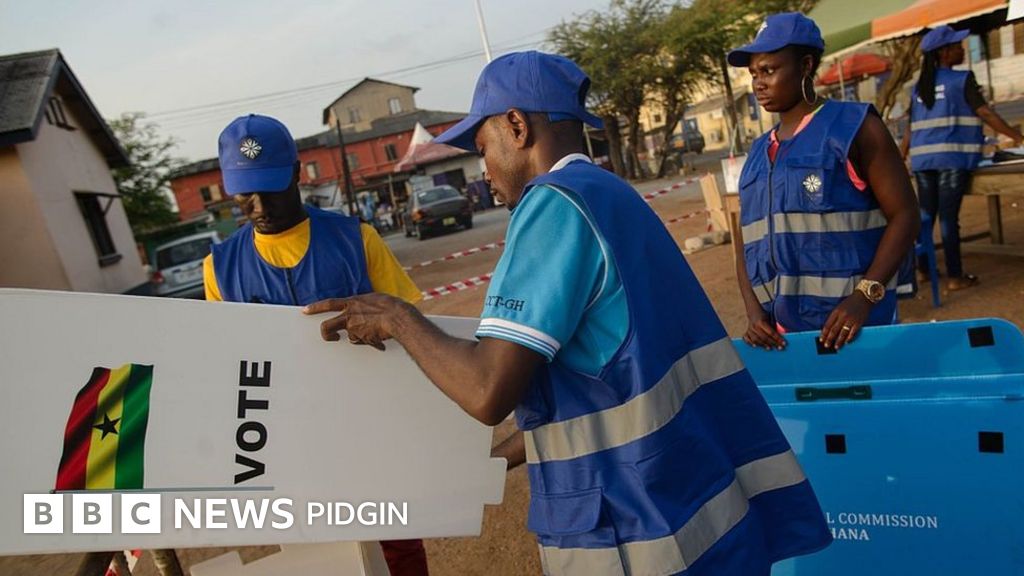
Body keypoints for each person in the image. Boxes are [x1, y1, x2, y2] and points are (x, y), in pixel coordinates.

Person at [304, 51, 831, 576]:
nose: (483, 170)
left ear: (516, 125)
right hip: (693, 508)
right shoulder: (610, 194)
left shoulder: (553, 205)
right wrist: (485, 460)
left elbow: (488, 389)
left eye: (482, 147)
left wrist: (398, 318)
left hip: (633, 528)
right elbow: (598, 390)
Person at [202, 114, 429, 576]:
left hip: (369, 424)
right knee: (317, 553)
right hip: (285, 441)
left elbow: (414, 330)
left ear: (297, 173)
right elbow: (229, 367)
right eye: (245, 191)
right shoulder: (219, 268)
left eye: (270, 186)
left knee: (395, 544)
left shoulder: (355, 239)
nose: (259, 203)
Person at [729, 13, 920, 352]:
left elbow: (905, 215)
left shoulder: (854, 127)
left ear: (805, 65)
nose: (759, 83)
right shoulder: (758, 152)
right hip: (784, 339)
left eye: (770, 70)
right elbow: (746, 241)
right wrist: (753, 312)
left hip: (854, 329)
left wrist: (865, 296)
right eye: (754, 73)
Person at [901, 25, 1024, 291]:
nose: (961, 49)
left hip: (923, 162)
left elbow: (910, 128)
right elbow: (986, 114)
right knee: (947, 218)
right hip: (951, 160)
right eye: (956, 46)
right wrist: (1019, 137)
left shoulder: (917, 88)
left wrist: (901, 156)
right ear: (943, 53)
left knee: (926, 216)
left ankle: (923, 270)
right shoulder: (961, 80)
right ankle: (955, 276)